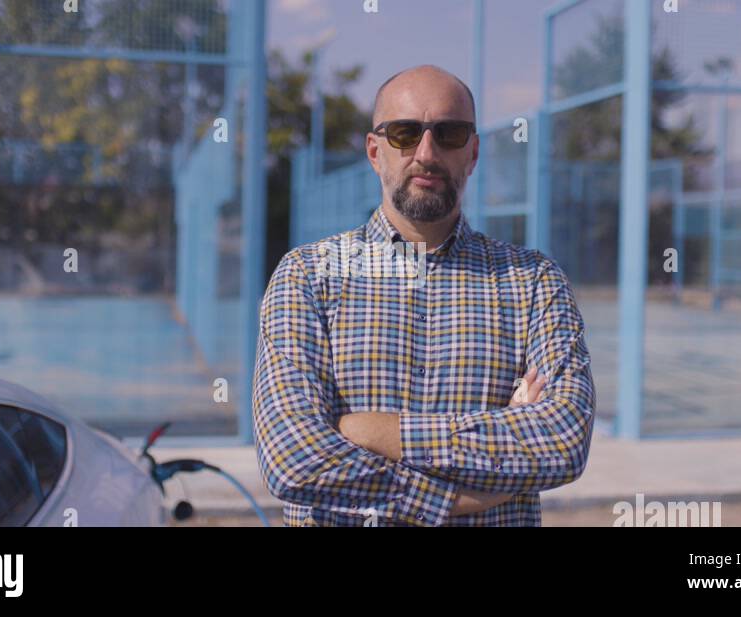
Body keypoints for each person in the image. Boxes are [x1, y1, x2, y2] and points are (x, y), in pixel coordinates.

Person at [253, 65, 595, 526]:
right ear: (375, 151)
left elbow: (563, 441)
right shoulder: (308, 276)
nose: (427, 153)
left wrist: (375, 431)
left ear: (472, 153)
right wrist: (455, 497)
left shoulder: (533, 281)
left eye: (449, 134)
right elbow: (292, 457)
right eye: (404, 133)